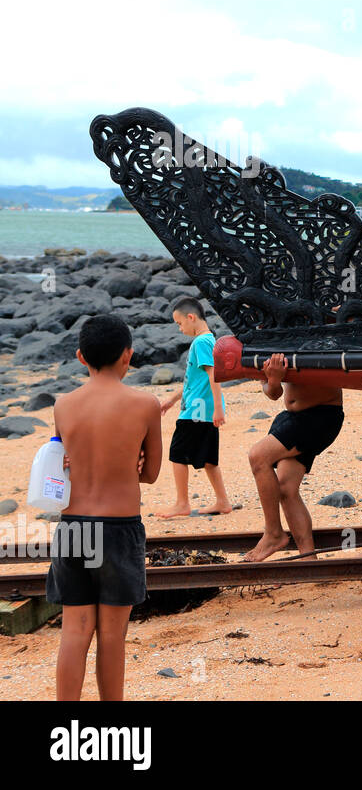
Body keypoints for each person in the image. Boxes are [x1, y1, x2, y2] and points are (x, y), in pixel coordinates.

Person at [48, 314, 162, 700]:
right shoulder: (146, 404)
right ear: (127, 355)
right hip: (119, 528)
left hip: (73, 527)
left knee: (74, 632)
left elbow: (65, 459)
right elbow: (151, 474)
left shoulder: (63, 405)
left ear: (81, 356)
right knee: (112, 637)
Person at [243, 354, 345, 562]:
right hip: (293, 417)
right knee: (286, 488)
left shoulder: (306, 341)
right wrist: (272, 380)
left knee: (258, 456)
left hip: (321, 415)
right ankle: (308, 560)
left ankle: (273, 533)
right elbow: (274, 394)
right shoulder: (276, 348)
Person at [158, 297, 230, 518]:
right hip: (201, 408)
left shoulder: (201, 342)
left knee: (177, 453)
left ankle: (182, 503)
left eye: (179, 323)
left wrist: (218, 409)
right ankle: (223, 502)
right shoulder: (208, 340)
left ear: (191, 317)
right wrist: (171, 400)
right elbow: (194, 380)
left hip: (196, 410)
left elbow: (213, 375)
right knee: (209, 458)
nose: (180, 328)